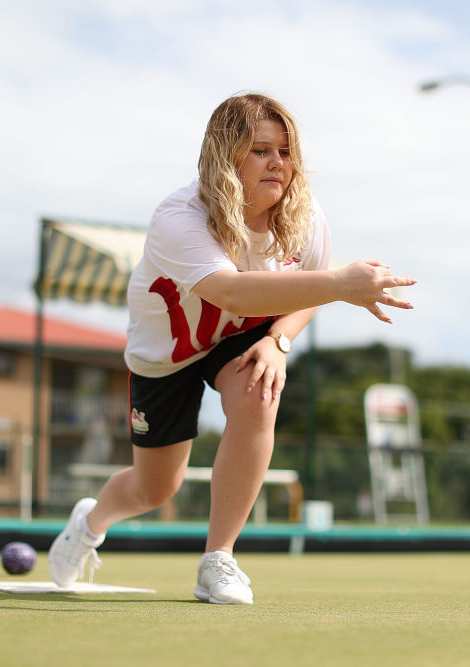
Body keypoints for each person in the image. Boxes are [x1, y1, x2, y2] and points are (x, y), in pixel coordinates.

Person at [48, 93, 416, 605]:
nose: (279, 164)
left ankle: (217, 559)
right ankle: (90, 523)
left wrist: (279, 342)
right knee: (156, 490)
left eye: (286, 152)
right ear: (226, 155)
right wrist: (338, 283)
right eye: (261, 150)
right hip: (168, 352)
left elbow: (306, 293)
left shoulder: (306, 218)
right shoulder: (180, 216)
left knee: (258, 393)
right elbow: (231, 291)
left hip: (242, 334)